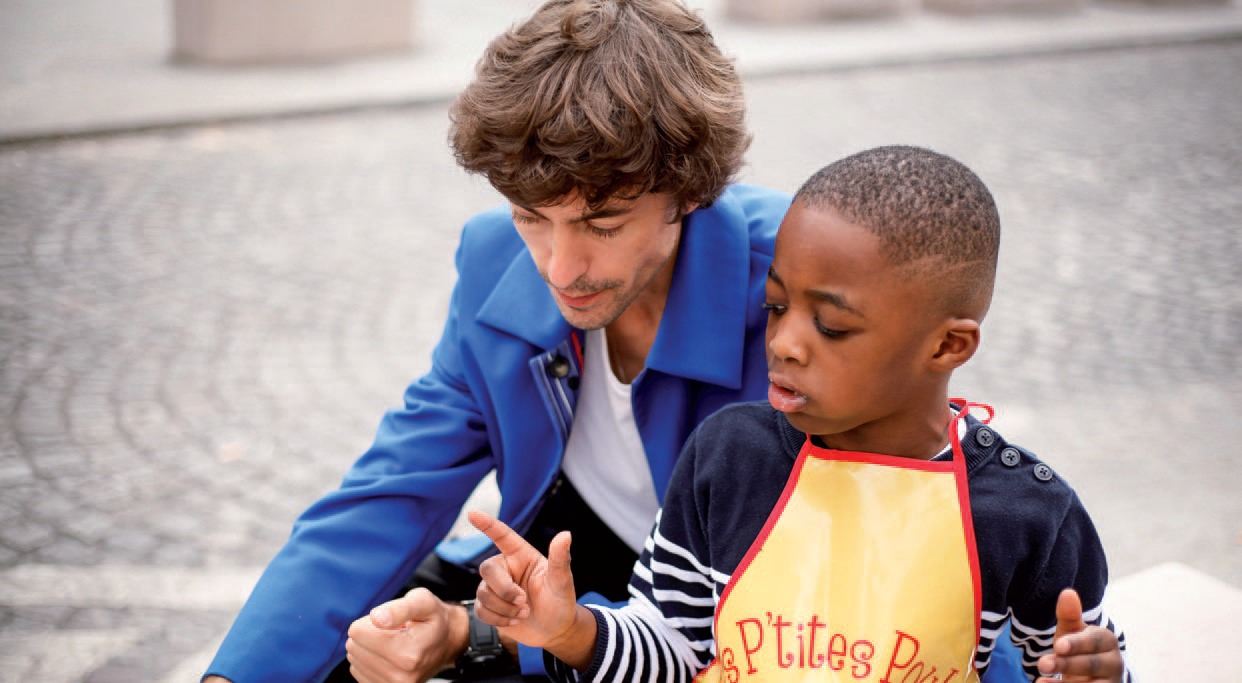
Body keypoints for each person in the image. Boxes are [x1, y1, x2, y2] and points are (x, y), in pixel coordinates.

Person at [201, 1, 1120, 680]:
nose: (561, 265)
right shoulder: (494, 262)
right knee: (352, 640)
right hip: (560, 572)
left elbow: (908, 574)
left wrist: (478, 639)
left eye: (601, 221)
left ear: (687, 189)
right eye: (531, 216)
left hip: (740, 614)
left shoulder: (802, 295)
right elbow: (384, 498)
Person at [467, 145, 1134, 683]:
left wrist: (1101, 672)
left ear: (947, 345)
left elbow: (1089, 657)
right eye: (779, 305)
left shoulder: (1029, 514)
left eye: (833, 325)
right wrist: (570, 631)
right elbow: (669, 645)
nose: (784, 341)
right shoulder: (727, 456)